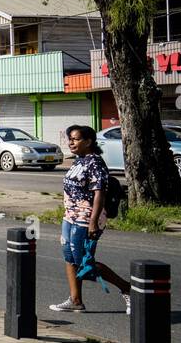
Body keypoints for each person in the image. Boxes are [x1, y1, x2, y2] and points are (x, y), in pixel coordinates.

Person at [49, 124, 132, 313]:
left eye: (76, 139)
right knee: (69, 258)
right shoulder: (79, 160)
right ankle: (75, 300)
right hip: (70, 216)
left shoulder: (95, 162)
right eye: (70, 139)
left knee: (83, 263)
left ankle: (127, 288)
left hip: (86, 219)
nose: (71, 142)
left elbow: (99, 193)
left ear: (88, 141)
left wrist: (93, 222)